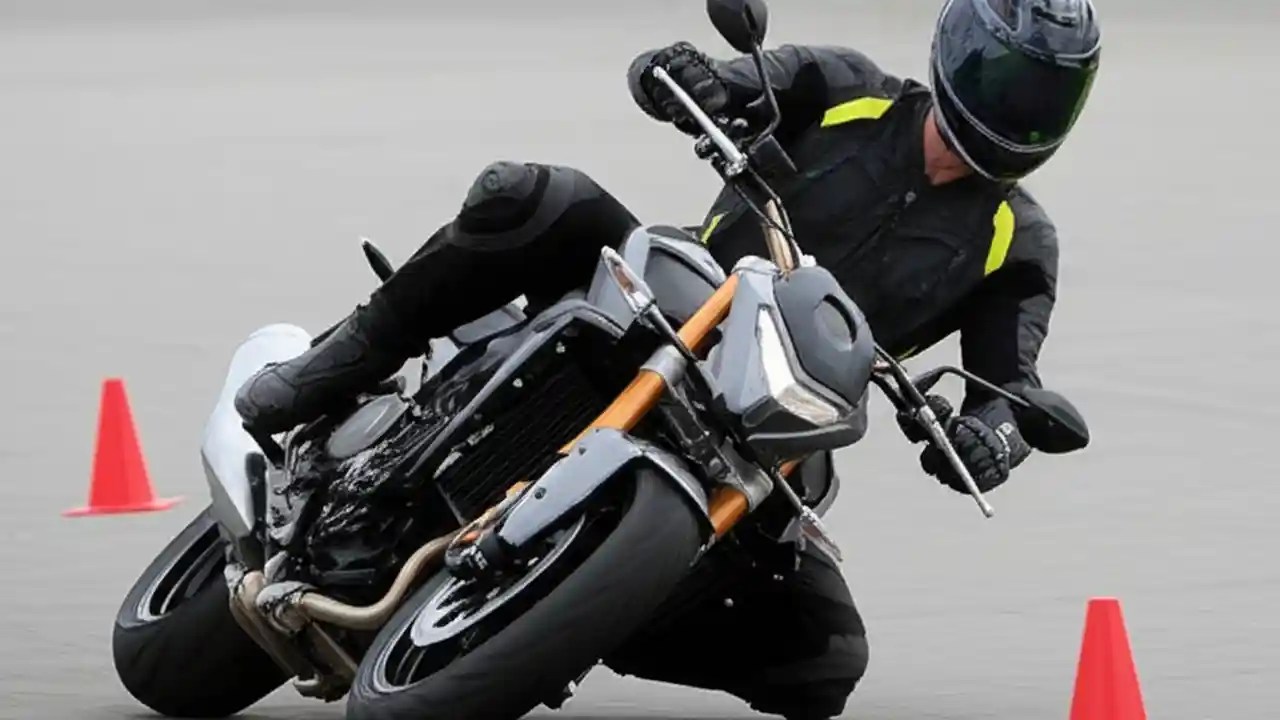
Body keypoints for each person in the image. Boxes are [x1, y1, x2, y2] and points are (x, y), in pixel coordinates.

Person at [234, 0, 1101, 716]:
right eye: (1003, 76)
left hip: (784, 421)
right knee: (535, 197)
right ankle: (331, 368)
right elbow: (729, 81)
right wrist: (684, 73)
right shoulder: (850, 89)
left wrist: (998, 434)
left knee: (824, 660)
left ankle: (576, 614)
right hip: (679, 298)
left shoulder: (1018, 243)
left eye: (1041, 95)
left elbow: (1009, 380)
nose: (1015, 106)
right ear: (958, 51)